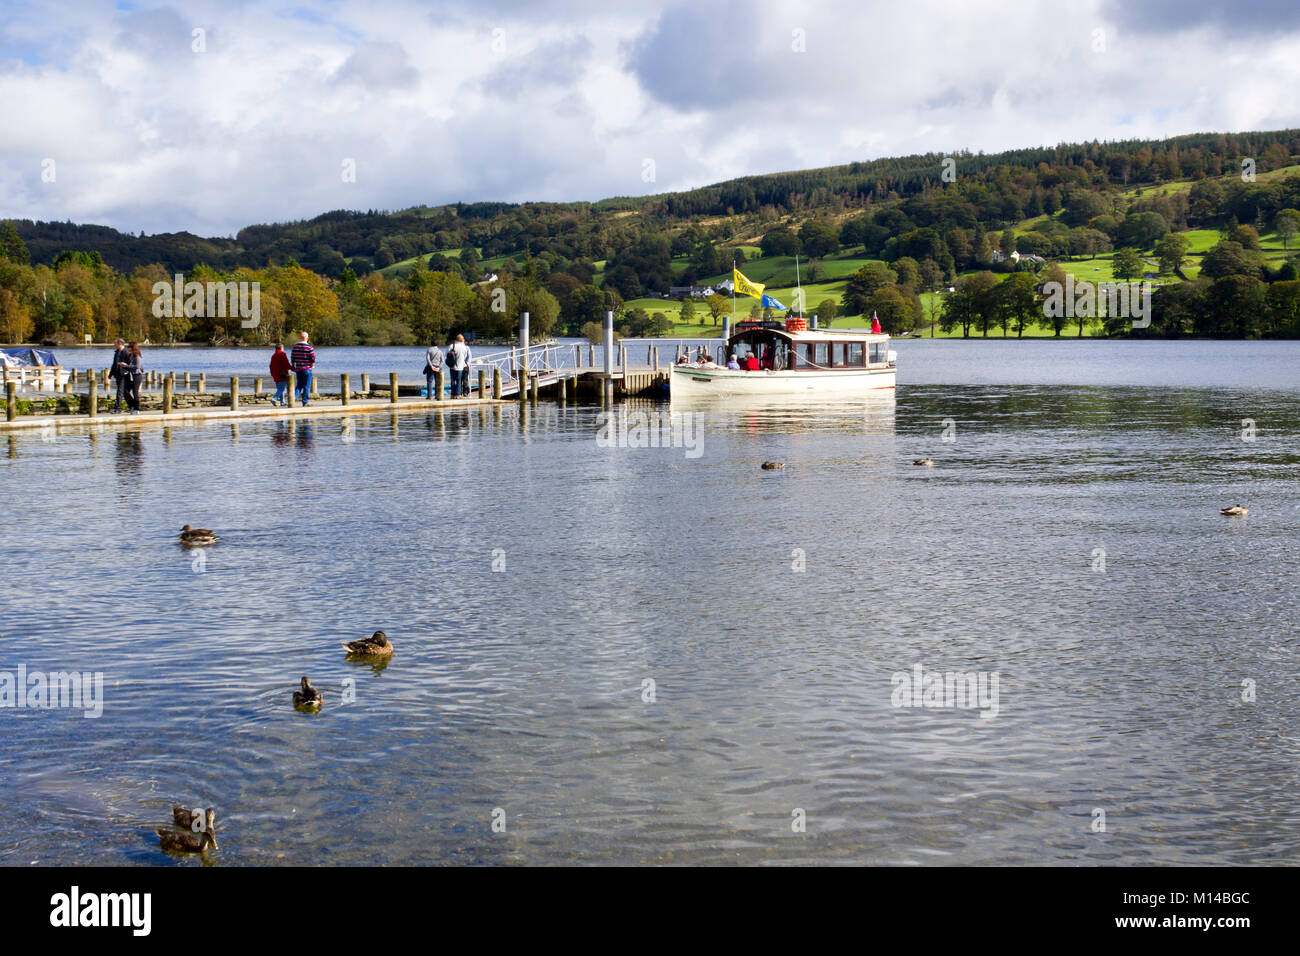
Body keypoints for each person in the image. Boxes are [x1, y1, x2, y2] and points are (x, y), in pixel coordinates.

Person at [290, 331, 316, 406]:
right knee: (306, 386)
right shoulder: (309, 347)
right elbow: (313, 358)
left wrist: (293, 365)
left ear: (300, 338)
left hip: (298, 369)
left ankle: (294, 398)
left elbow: (292, 357)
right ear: (307, 338)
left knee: (299, 385)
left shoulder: (295, 347)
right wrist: (312, 366)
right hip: (307, 368)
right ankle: (305, 402)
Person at [122, 342, 144, 414]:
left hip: (137, 376)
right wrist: (125, 367)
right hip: (132, 375)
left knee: (135, 392)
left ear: (132, 348)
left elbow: (137, 367)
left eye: (129, 347)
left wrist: (126, 366)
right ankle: (132, 406)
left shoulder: (137, 356)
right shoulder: (131, 356)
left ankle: (137, 409)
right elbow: (130, 367)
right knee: (125, 391)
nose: (127, 348)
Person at [448, 334, 471, 399]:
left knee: (452, 381)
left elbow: (447, 354)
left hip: (452, 365)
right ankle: (458, 394)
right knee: (459, 380)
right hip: (460, 366)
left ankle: (452, 394)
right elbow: (465, 356)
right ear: (462, 340)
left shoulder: (452, 346)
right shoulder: (464, 347)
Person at [108, 338, 127, 413]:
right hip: (117, 374)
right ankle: (119, 407)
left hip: (123, 374)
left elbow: (129, 363)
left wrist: (126, 371)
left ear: (120, 344)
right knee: (121, 391)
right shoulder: (116, 352)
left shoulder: (125, 352)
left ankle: (118, 408)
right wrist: (110, 374)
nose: (114, 345)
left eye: (115, 343)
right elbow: (114, 364)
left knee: (120, 391)